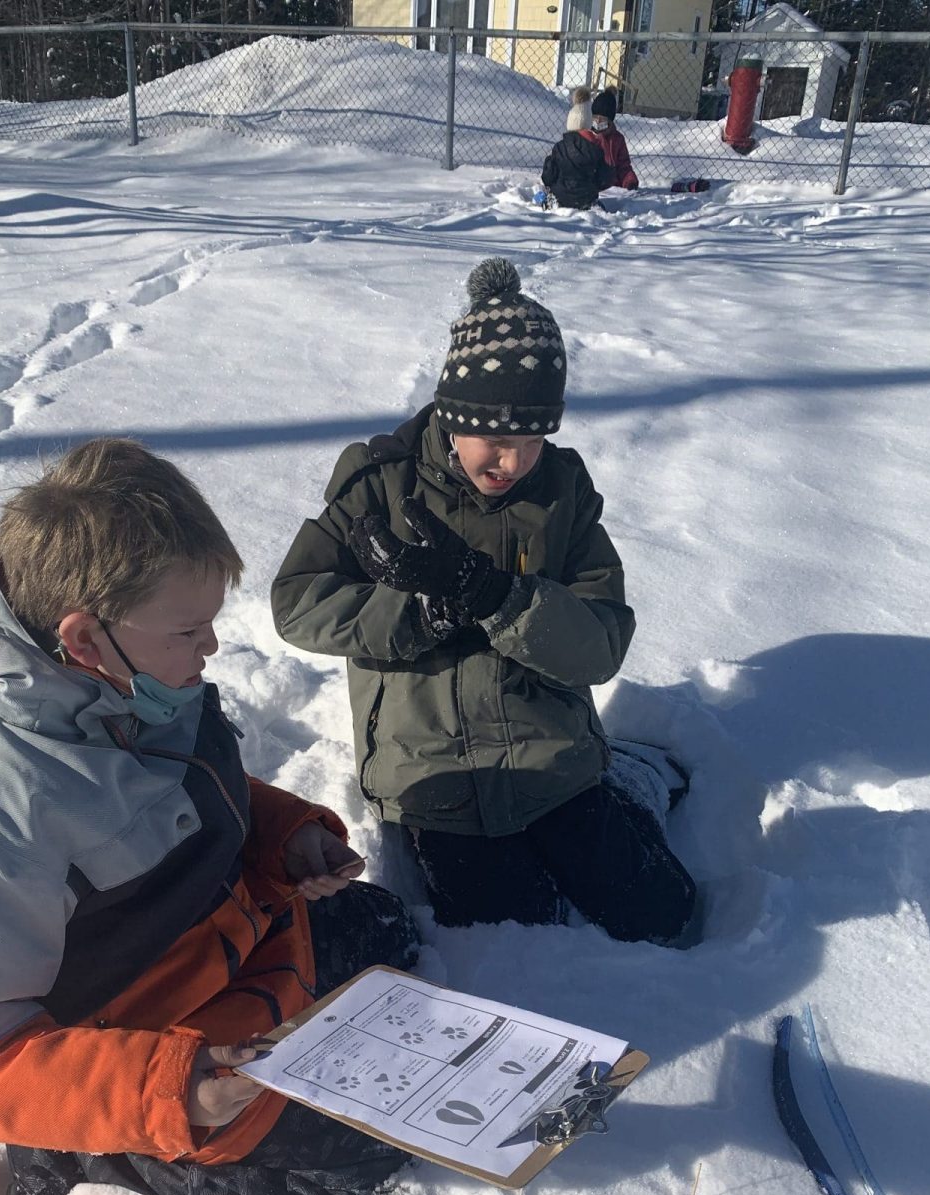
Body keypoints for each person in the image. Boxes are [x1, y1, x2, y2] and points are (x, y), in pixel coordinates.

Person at [0, 438, 420, 1195]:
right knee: (373, 1159)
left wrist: (281, 836)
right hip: (155, 1056)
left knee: (390, 930)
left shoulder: (133, 678)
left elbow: (175, 797)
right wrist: (172, 1091)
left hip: (233, 949)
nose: (211, 648)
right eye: (190, 631)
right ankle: (88, 1154)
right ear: (85, 638)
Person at [270, 259, 698, 945]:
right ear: (452, 416)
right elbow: (297, 604)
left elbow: (601, 644)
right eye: (497, 441)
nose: (514, 462)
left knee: (662, 913)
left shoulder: (561, 493)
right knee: (513, 931)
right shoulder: (379, 486)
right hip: (436, 774)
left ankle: (631, 779)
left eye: (532, 441)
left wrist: (498, 596)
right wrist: (416, 614)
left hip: (551, 760)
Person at [540, 91, 614, 211]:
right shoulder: (596, 150)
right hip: (586, 198)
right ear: (589, 124)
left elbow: (548, 176)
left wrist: (549, 163)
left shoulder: (559, 148)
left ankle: (551, 204)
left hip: (560, 197)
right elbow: (604, 179)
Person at [590, 89, 639, 191]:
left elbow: (624, 167)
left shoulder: (617, 139)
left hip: (613, 188)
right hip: (591, 187)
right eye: (595, 117)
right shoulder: (588, 136)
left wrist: (630, 181)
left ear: (610, 120)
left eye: (602, 119)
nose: (598, 121)